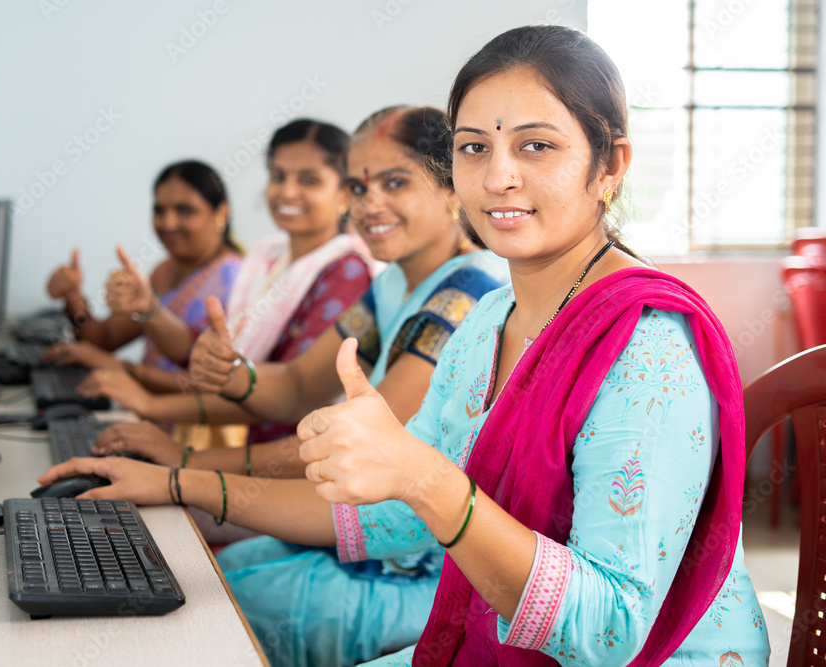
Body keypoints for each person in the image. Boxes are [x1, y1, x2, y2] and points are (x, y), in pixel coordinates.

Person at [291, 26, 770, 666]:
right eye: (473, 148)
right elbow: (400, 515)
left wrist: (425, 477)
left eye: (536, 146)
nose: (498, 177)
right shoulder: (488, 320)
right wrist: (190, 489)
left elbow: (613, 630)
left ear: (611, 166)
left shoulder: (649, 345)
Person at [38, 105, 509, 667]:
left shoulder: (464, 296)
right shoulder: (389, 291)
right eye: (359, 187)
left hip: (420, 571)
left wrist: (182, 468)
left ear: (453, 187)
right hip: (358, 533)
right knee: (189, 575)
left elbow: (370, 462)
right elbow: (296, 386)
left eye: (395, 182)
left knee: (191, 606)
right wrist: (236, 376)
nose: (368, 204)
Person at [80, 119, 375, 445]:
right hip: (255, 451)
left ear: (345, 194)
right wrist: (149, 307)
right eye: (278, 176)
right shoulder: (271, 259)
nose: (287, 191)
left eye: (308, 179)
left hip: (298, 465)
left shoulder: (346, 272)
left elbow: (288, 391)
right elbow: (208, 354)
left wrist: (149, 401)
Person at [42, 160, 243, 396]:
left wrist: (117, 368)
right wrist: (74, 298)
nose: (168, 223)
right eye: (159, 210)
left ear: (221, 213)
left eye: (184, 210)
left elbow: (209, 386)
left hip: (190, 427)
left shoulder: (237, 279)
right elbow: (103, 340)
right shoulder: (165, 270)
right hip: (147, 415)